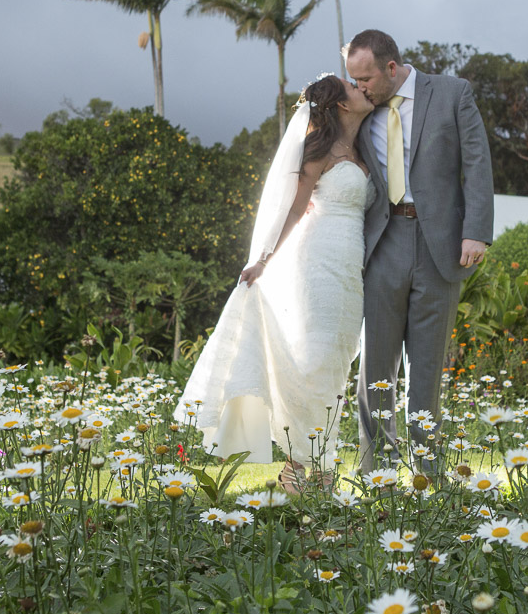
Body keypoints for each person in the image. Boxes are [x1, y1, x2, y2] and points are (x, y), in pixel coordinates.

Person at [174, 74, 376, 486]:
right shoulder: (319, 150)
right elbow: (297, 207)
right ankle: (303, 466)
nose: (362, 89)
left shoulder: (363, 147)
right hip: (317, 263)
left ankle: (314, 463)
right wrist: (264, 258)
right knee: (316, 361)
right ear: (339, 104)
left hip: (350, 271)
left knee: (335, 366)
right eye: (354, 87)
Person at [345, 30, 494, 473]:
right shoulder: (358, 107)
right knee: (375, 371)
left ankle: (427, 474)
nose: (360, 88)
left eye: (366, 78)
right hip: (382, 244)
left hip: (440, 247)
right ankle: (378, 474)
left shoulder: (452, 93)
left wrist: (476, 232)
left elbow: (477, 162)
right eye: (353, 79)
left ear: (391, 68)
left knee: (425, 371)